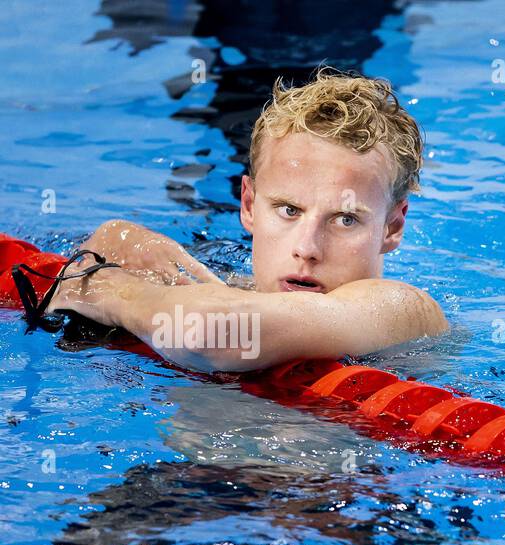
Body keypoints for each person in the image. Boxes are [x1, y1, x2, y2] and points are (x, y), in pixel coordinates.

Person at [44, 67, 447, 371]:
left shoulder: (401, 311)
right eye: (289, 211)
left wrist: (108, 290)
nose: (306, 249)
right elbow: (111, 244)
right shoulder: (234, 290)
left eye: (344, 220)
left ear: (392, 227)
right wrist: (120, 237)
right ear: (249, 205)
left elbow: (207, 333)